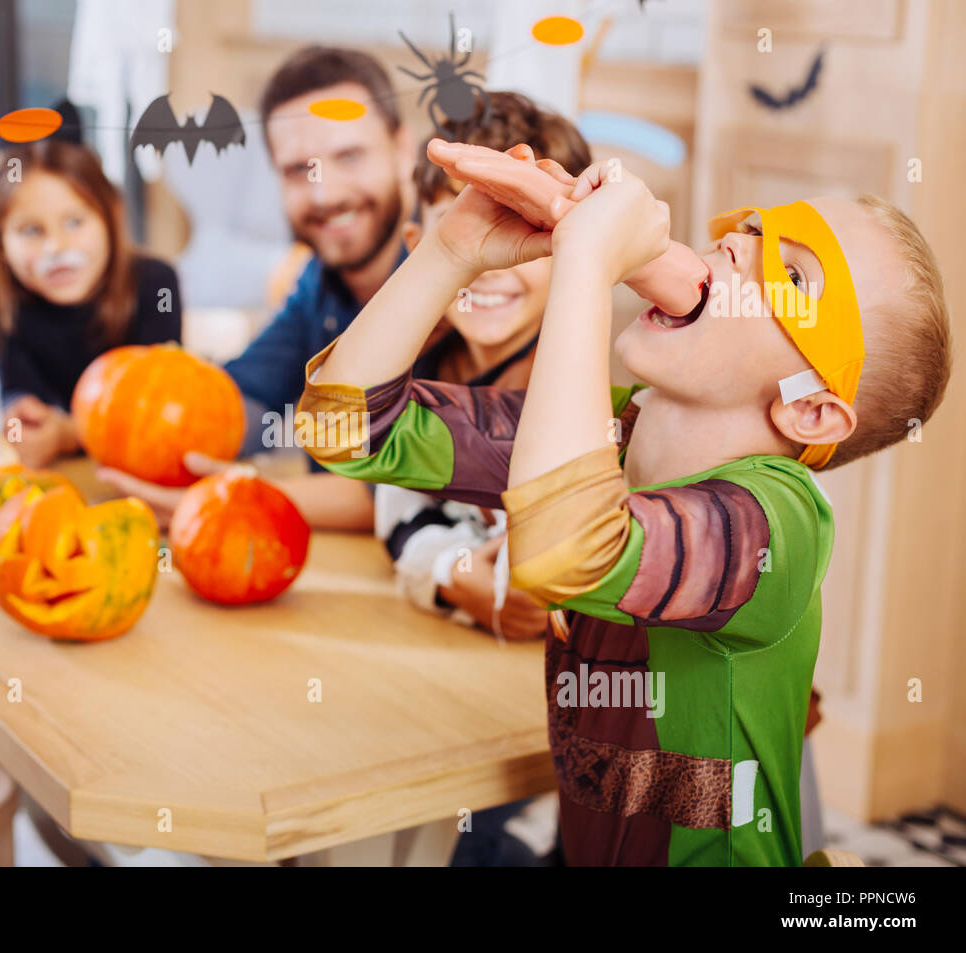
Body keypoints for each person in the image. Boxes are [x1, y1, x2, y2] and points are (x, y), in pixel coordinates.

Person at [296, 139, 951, 865]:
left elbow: (563, 551)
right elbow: (345, 428)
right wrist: (451, 251)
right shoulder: (611, 430)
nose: (737, 245)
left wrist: (584, 266)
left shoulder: (782, 520)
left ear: (813, 411)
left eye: (794, 274)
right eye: (755, 228)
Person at [101, 46, 419, 530]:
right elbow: (238, 402)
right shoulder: (318, 284)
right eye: (297, 170)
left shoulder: (458, 287)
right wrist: (144, 422)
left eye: (349, 156)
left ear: (403, 150)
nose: (324, 194)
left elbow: (403, 485)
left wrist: (233, 491)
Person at [379, 91, 590, 644]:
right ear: (416, 246)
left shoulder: (599, 383)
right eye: (464, 226)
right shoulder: (413, 375)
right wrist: (453, 571)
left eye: (524, 227)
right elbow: (397, 513)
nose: (491, 264)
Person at [0, 106, 181, 468]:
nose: (57, 247)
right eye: (31, 231)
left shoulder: (155, 284)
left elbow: (155, 410)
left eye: (74, 222)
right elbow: (16, 391)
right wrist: (21, 418)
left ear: (111, 216)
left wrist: (69, 434)